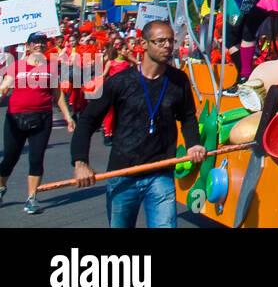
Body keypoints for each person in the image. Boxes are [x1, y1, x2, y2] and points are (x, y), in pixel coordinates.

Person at [71, 21, 204, 228]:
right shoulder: (120, 81)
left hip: (160, 173)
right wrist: (80, 162)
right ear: (144, 44)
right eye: (160, 41)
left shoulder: (179, 80)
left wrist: (193, 144)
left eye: (170, 41)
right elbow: (87, 121)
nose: (167, 46)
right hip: (123, 174)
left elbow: (187, 116)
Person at [0, 33, 76, 215]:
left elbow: (57, 95)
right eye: (36, 43)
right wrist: (1, 92)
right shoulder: (17, 66)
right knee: (9, 157)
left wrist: (68, 116)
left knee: (36, 157)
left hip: (42, 118)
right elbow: (6, 85)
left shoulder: (50, 68)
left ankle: (31, 197)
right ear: (28, 46)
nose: (40, 45)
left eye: (43, 43)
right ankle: (1, 187)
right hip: (15, 118)